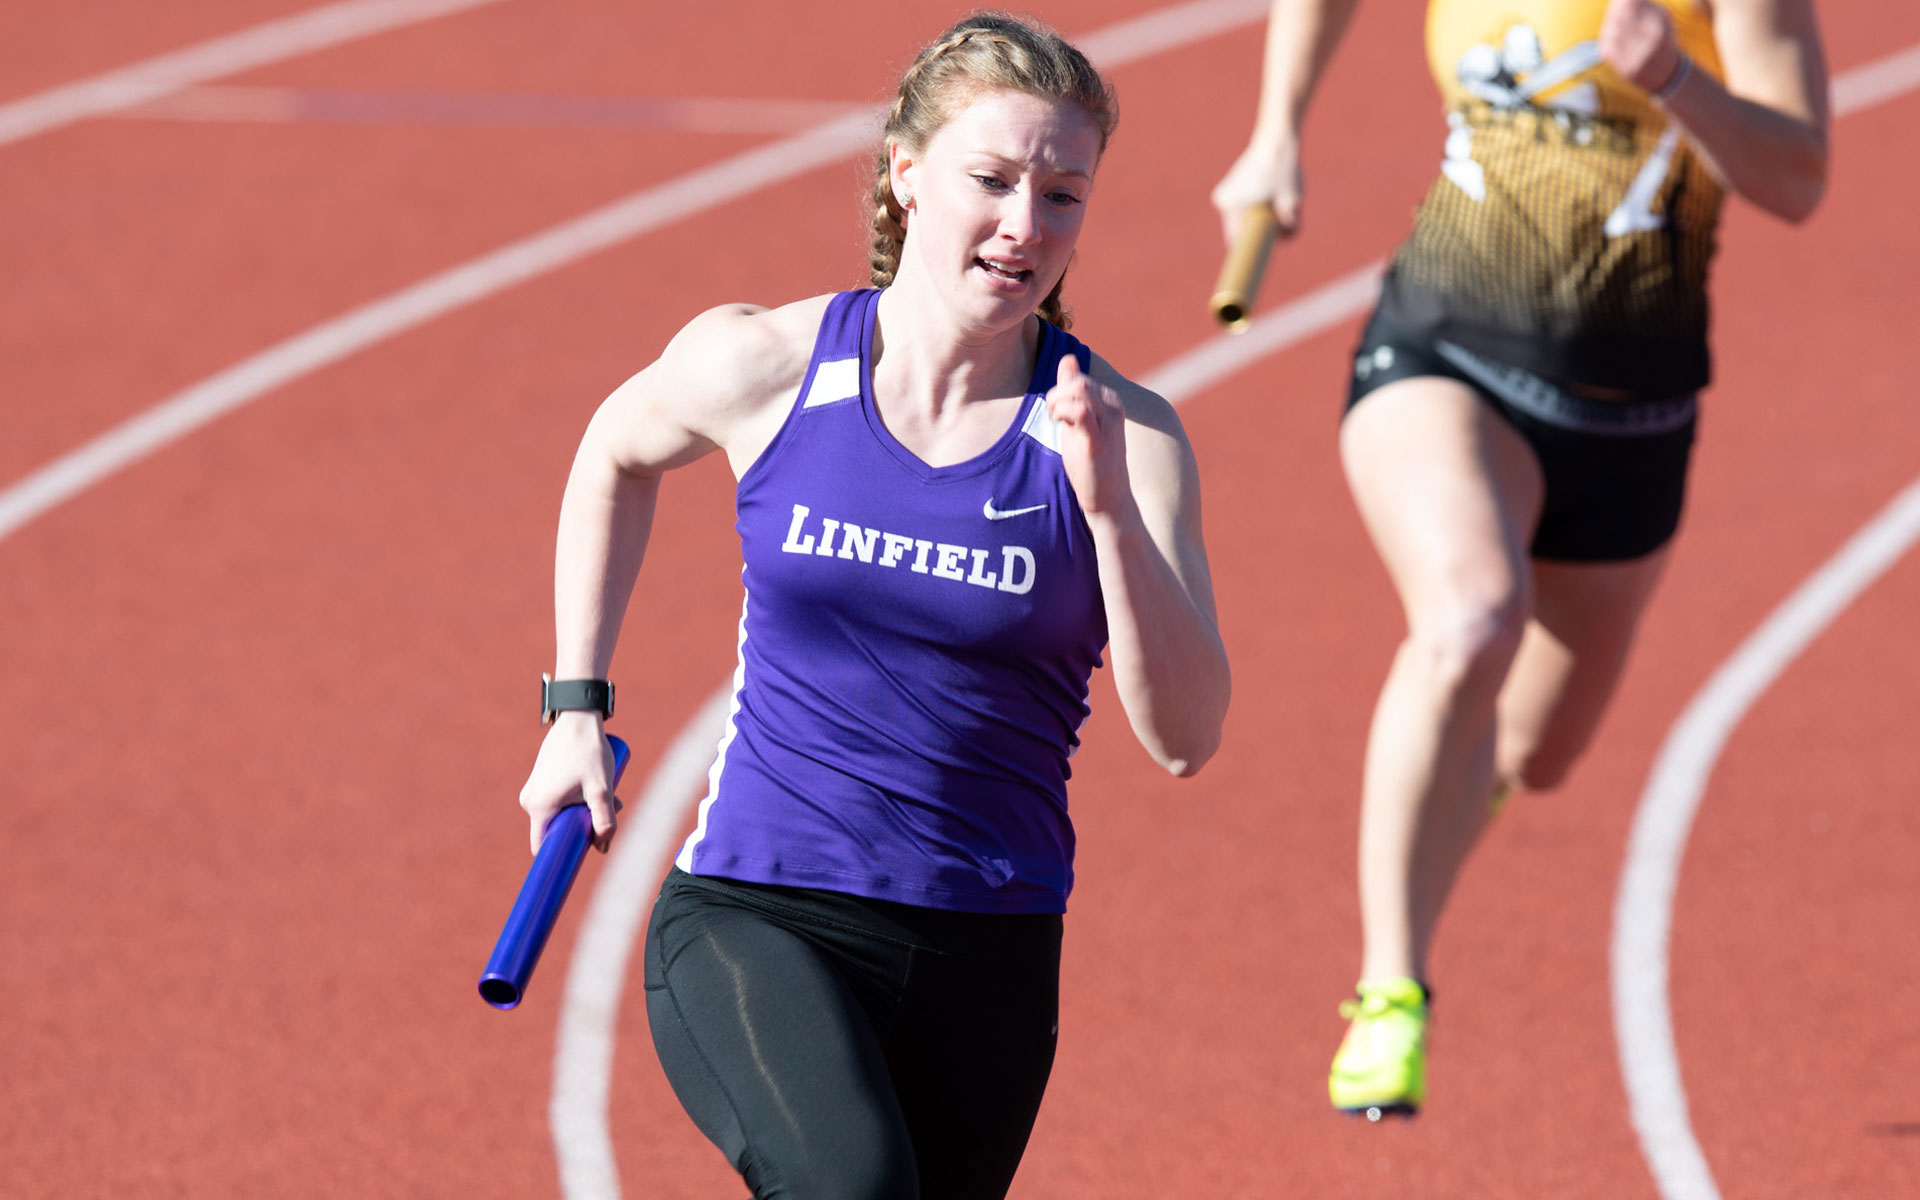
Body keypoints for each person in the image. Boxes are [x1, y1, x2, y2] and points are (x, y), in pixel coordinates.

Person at [517, 12, 1231, 1197]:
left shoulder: (1122, 437)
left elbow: (1188, 738)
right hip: (759, 909)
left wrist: (1109, 518)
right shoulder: (766, 365)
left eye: (1063, 195)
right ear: (905, 176)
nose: (1024, 226)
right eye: (992, 180)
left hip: (988, 942)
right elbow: (614, 452)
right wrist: (574, 706)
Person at [1213, 0, 1828, 1119]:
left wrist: (1680, 83)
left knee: (1536, 752)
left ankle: (1448, 798)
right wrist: (1276, 126)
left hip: (1634, 411)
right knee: (1469, 622)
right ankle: (1391, 983)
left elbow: (1797, 178)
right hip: (1445, 343)